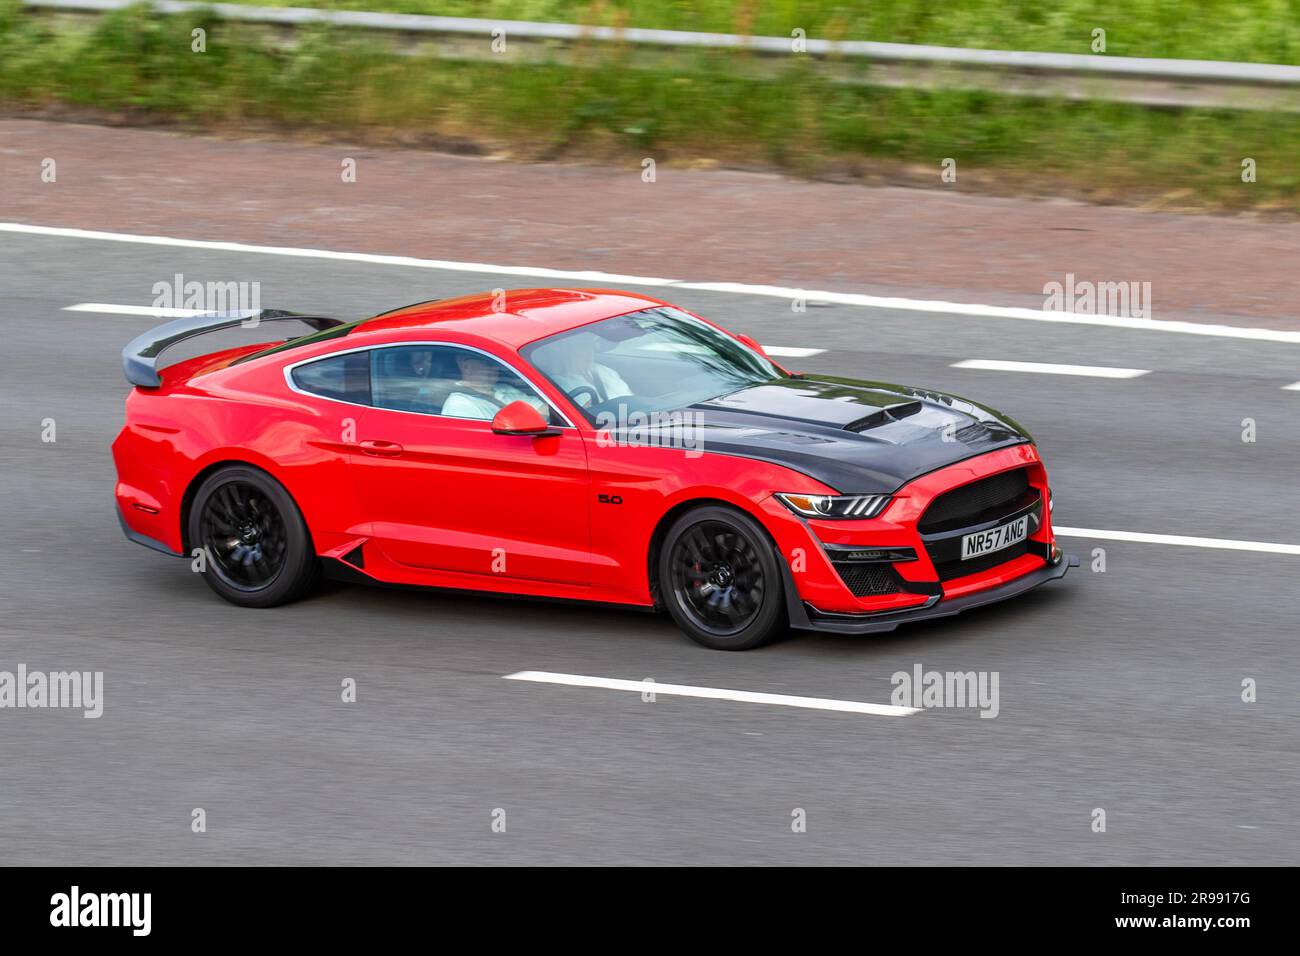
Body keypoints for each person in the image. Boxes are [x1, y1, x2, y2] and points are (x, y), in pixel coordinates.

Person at [441, 353, 550, 421]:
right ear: (466, 366)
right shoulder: (459, 404)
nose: (495, 368)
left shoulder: (504, 388)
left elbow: (543, 411)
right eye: (487, 363)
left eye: (495, 364)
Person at [542, 331, 631, 408]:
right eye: (580, 346)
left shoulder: (606, 372)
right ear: (564, 352)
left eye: (589, 345)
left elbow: (629, 399)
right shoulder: (555, 384)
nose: (588, 351)